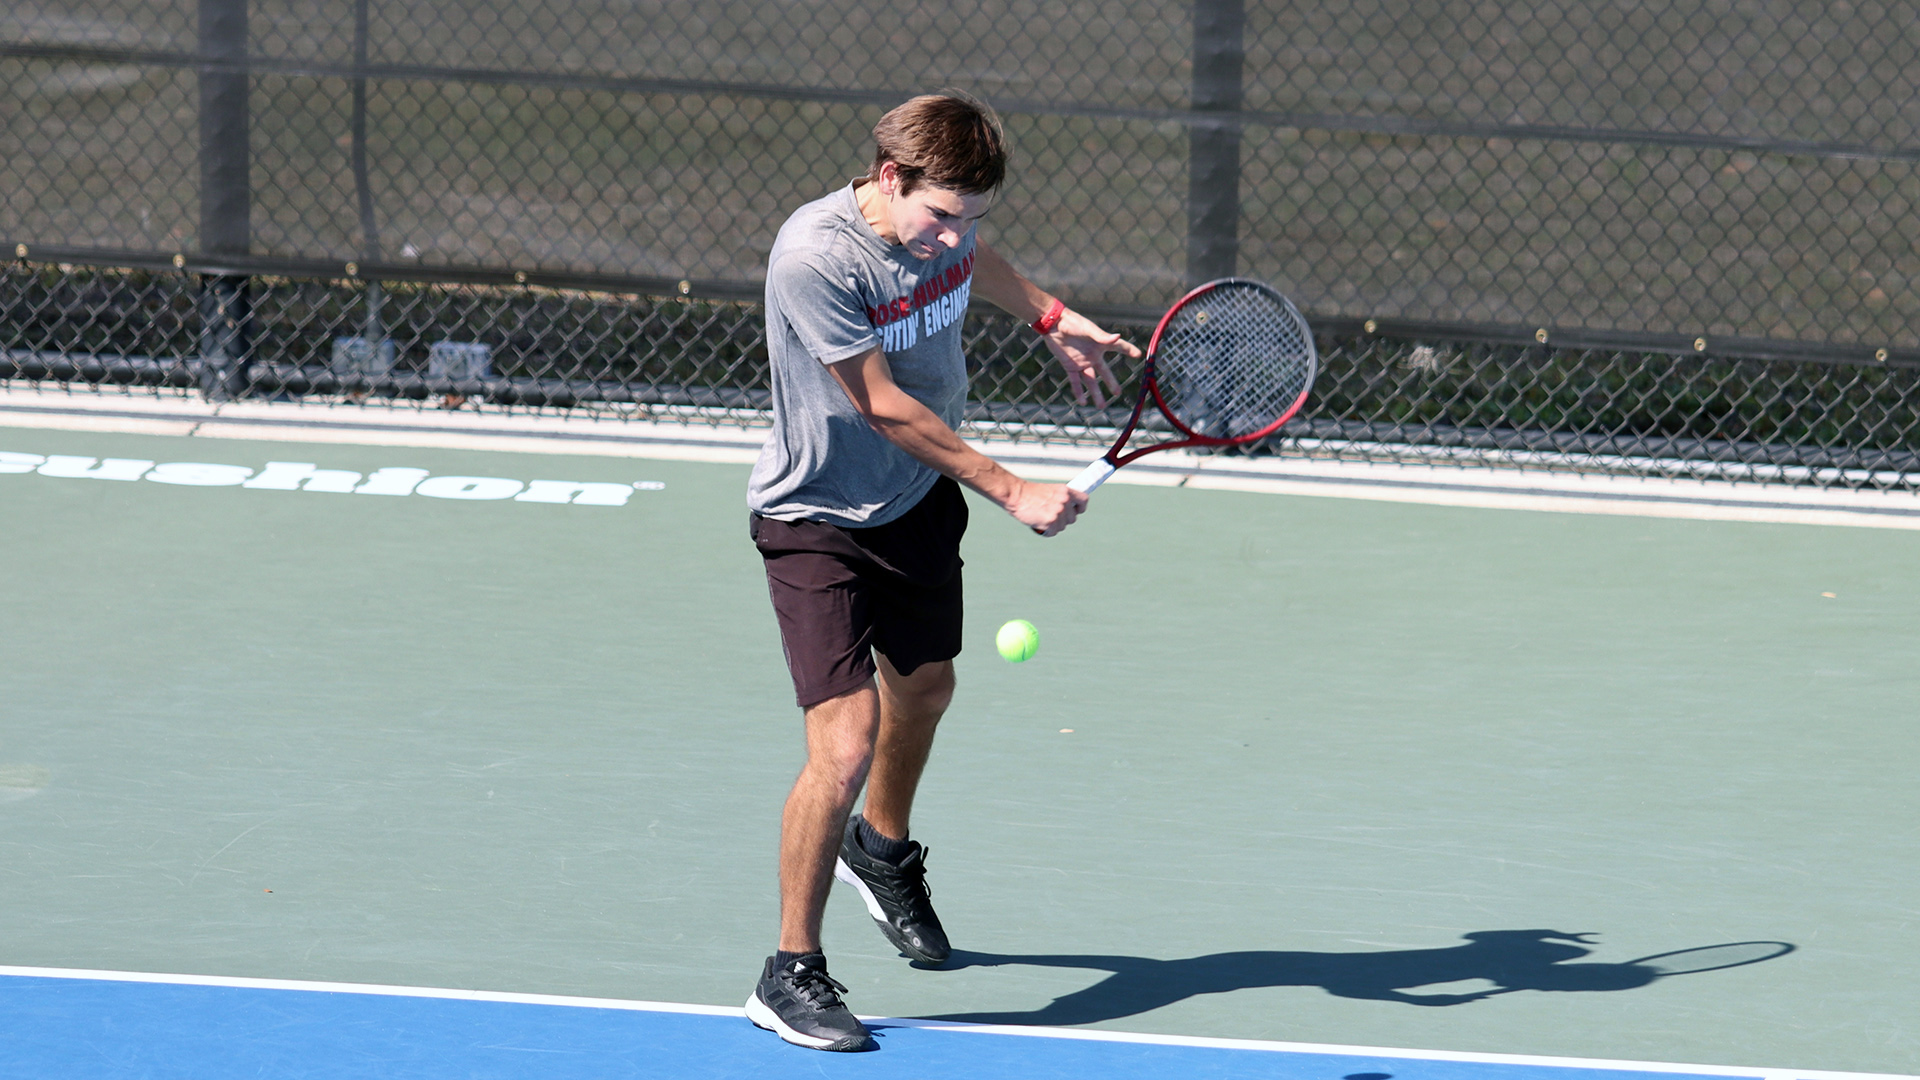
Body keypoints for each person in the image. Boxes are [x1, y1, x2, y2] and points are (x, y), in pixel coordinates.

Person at [742, 93, 1141, 1052]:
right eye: (942, 214)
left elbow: (973, 261)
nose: (955, 236)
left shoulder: (943, 234)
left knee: (925, 692)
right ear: (889, 179)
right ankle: (789, 970)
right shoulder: (818, 258)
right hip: (817, 518)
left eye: (972, 215)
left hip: (914, 504)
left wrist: (1051, 315)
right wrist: (1012, 489)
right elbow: (878, 404)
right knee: (843, 744)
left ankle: (879, 854)